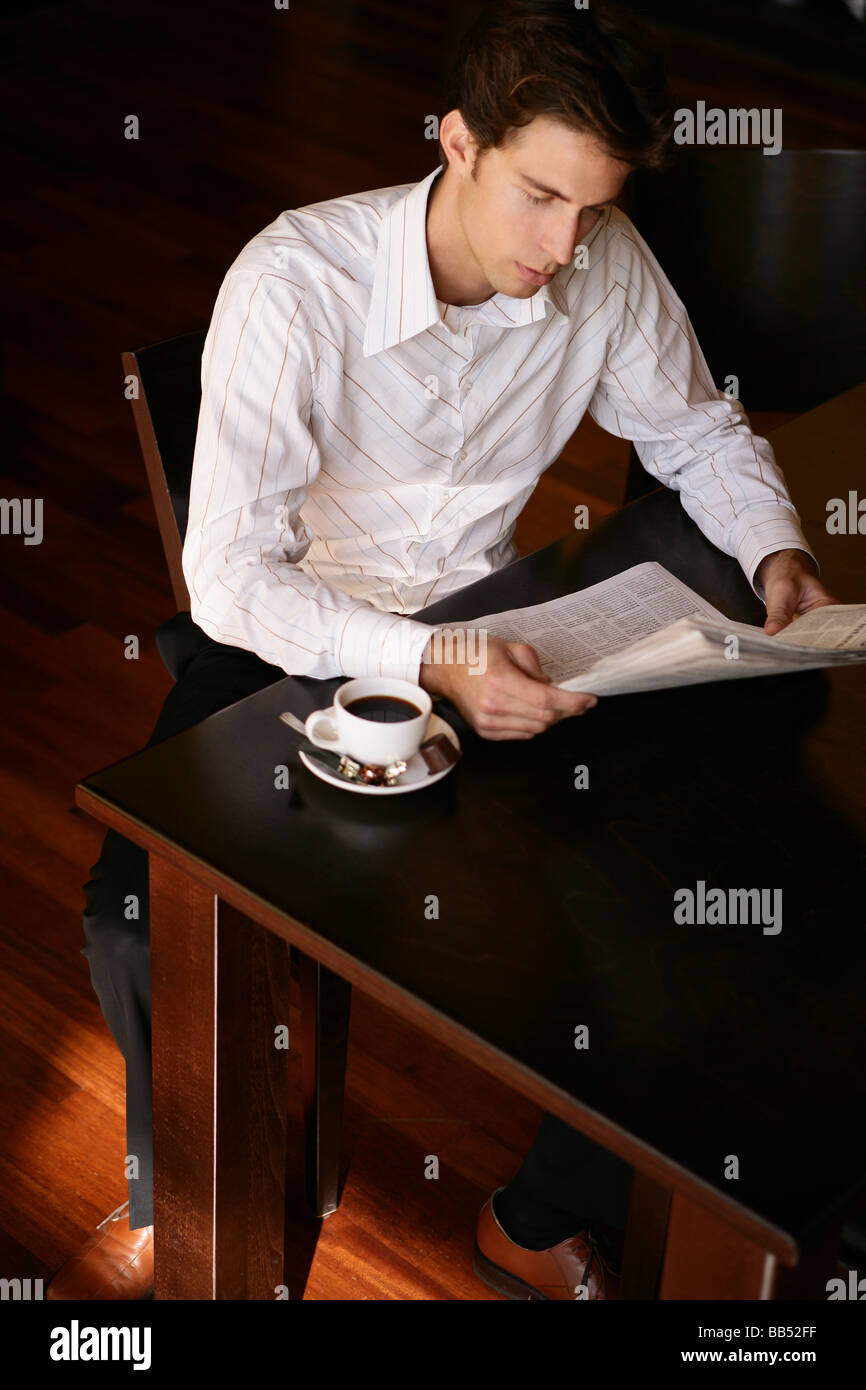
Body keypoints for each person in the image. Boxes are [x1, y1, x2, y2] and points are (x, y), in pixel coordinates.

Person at [49, 0, 838, 1302]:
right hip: (286, 646)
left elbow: (695, 430)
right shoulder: (293, 282)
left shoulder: (600, 256)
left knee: (702, 891)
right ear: (457, 140)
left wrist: (770, 551)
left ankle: (534, 1213)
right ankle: (175, 1181)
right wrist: (434, 660)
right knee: (132, 919)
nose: (563, 245)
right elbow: (234, 582)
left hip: (499, 621)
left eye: (593, 208)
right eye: (539, 198)